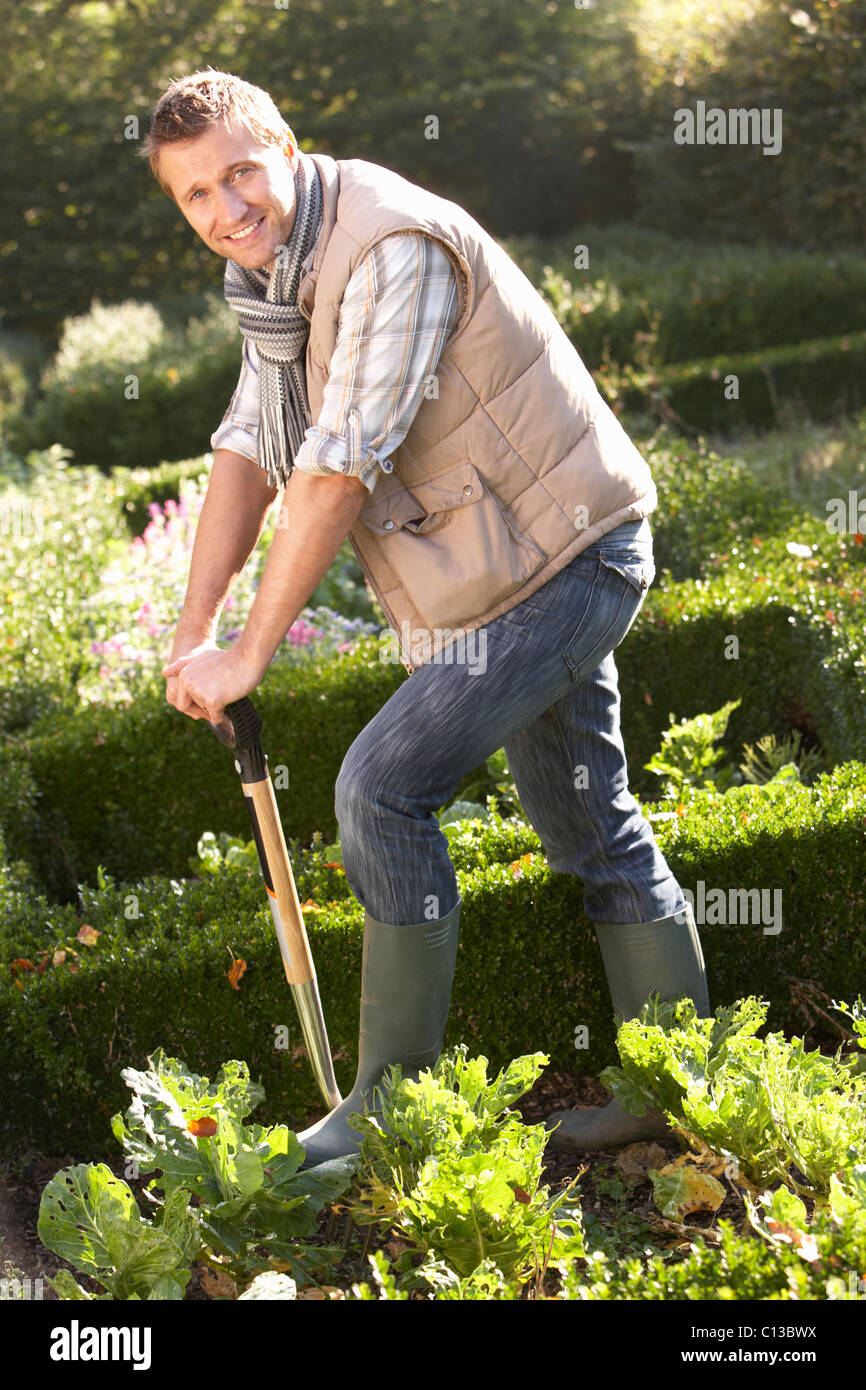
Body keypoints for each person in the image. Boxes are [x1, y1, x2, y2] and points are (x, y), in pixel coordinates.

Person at [143, 68, 709, 1169]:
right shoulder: (274, 283)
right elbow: (249, 447)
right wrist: (190, 630)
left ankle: (385, 1112)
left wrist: (250, 653)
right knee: (593, 825)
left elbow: (334, 466)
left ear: (288, 150)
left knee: (379, 788)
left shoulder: (386, 243)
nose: (225, 209)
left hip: (569, 558)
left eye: (240, 174)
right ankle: (674, 1088)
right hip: (506, 573)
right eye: (195, 196)